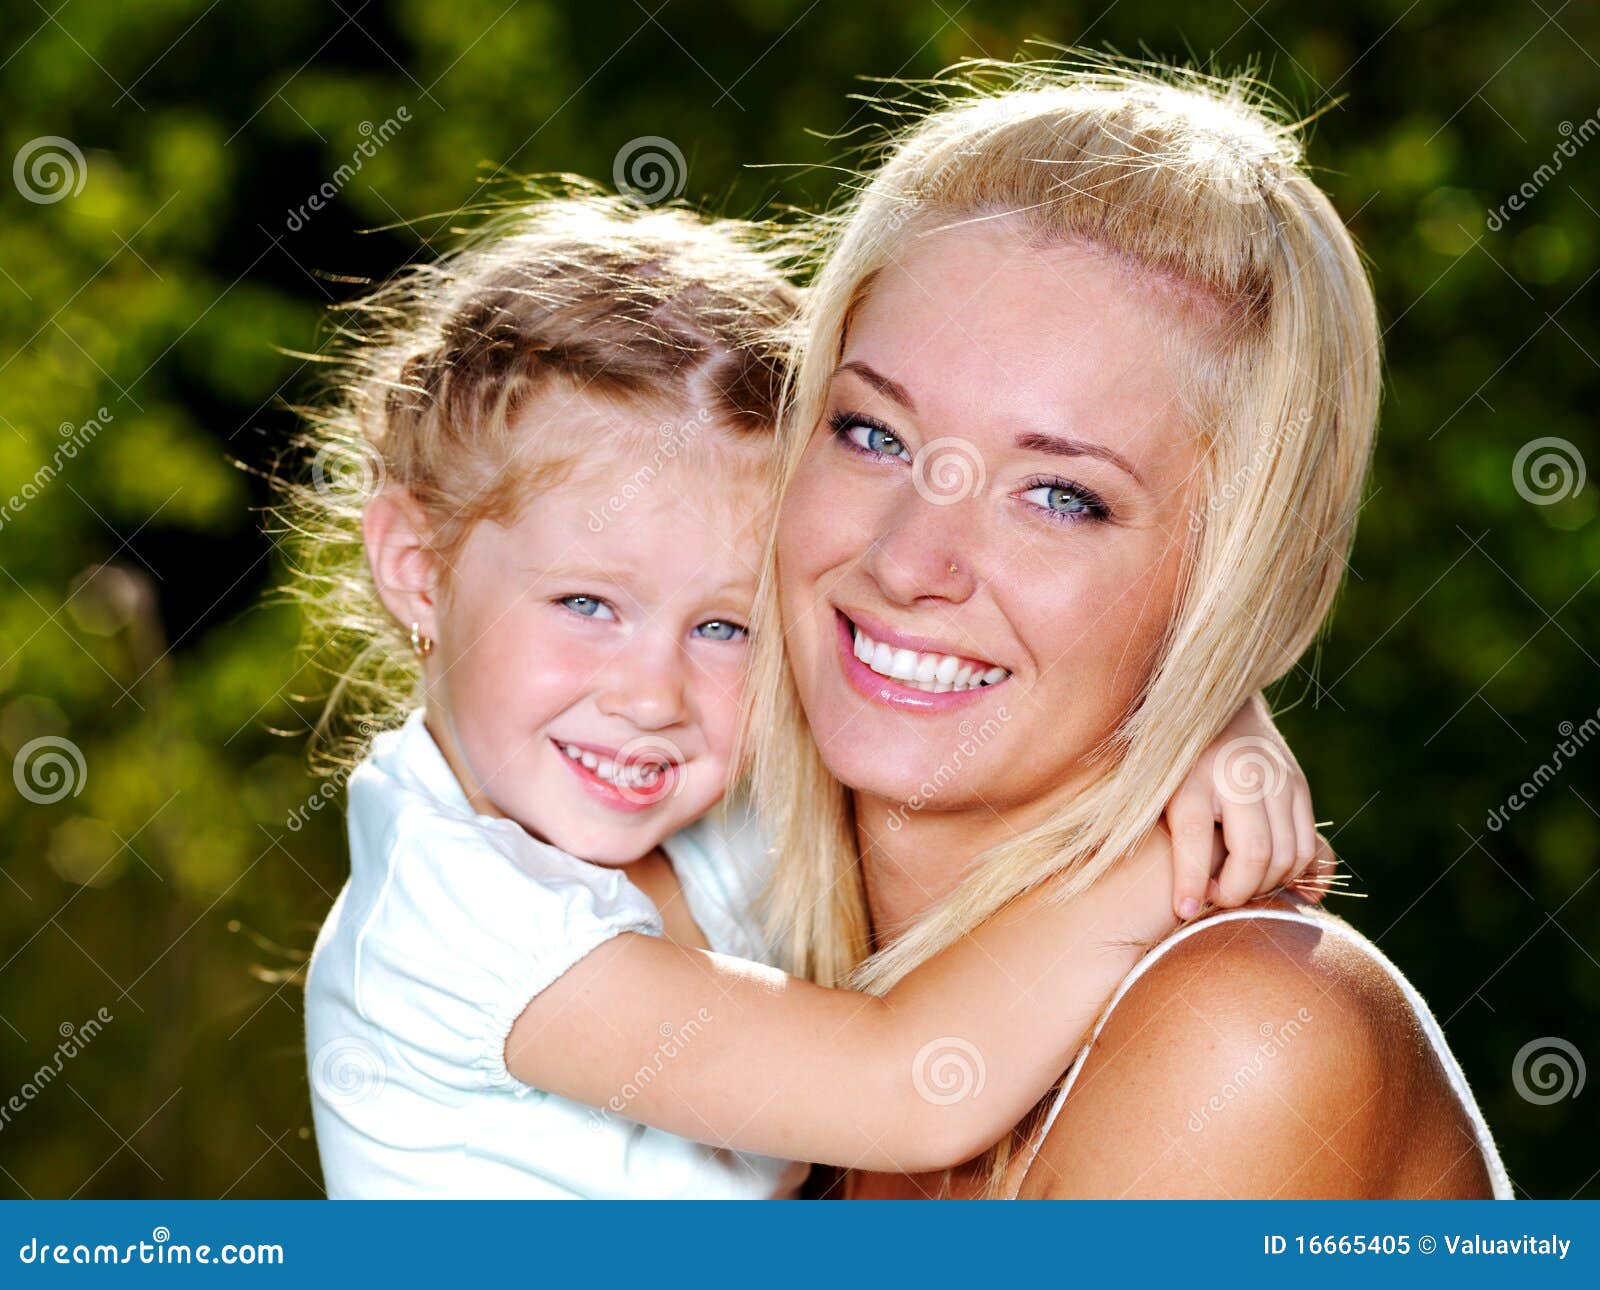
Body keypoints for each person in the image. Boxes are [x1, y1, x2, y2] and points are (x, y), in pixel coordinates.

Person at [286, 188, 1322, 1198]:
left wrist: (1214, 714)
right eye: (587, 605)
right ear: (416, 566)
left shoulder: (713, 799)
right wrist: (1167, 858)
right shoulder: (447, 921)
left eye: (722, 627)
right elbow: (910, 1090)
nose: (653, 697)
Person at [741, 61, 1514, 1199]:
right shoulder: (711, 909)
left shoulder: (1240, 1040)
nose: (907, 561)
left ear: (1230, 586)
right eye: (872, 434)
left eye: (1061, 497)